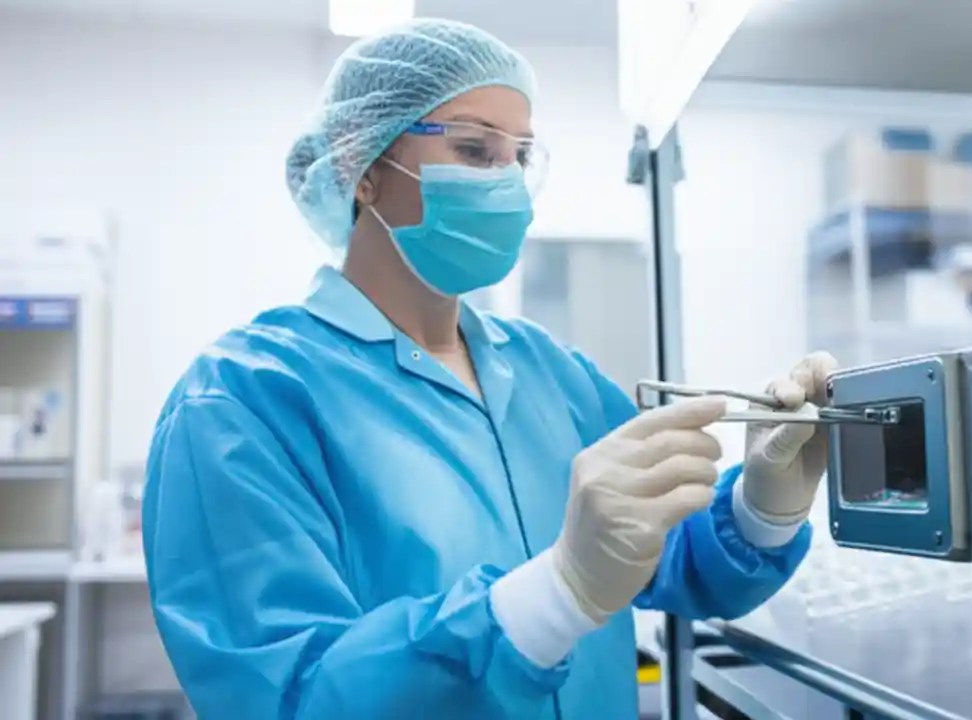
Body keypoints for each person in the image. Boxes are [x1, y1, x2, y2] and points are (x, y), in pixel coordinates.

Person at [142, 17, 837, 720]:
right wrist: (557, 594)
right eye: (475, 149)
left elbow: (661, 555)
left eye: (519, 157)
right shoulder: (242, 401)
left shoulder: (549, 374)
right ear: (363, 168)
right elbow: (286, 695)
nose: (507, 185)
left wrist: (761, 508)